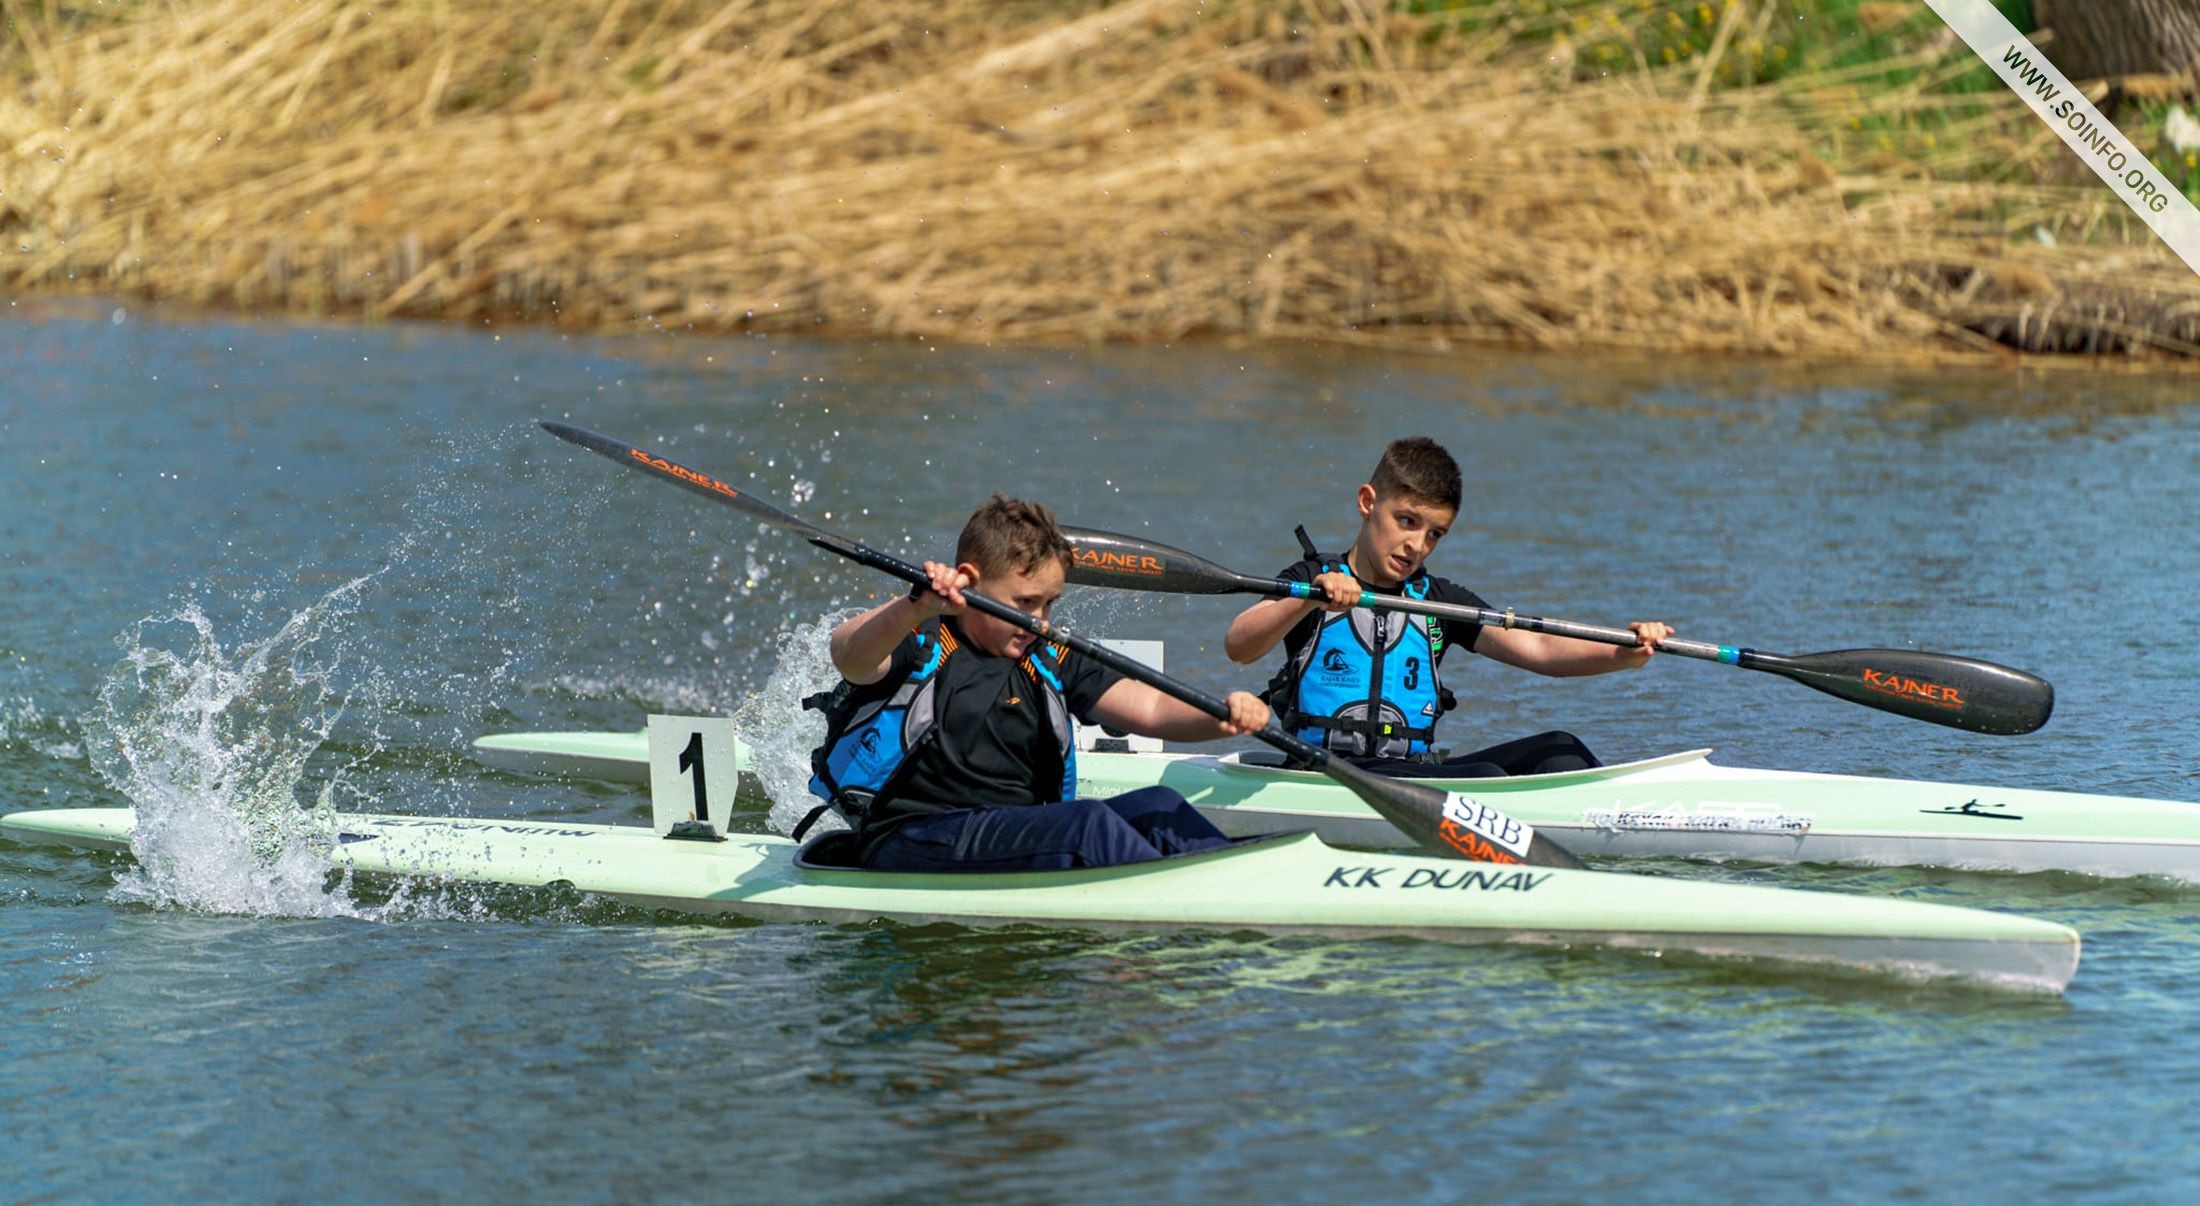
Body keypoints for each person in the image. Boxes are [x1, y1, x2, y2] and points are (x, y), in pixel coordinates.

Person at [804, 494, 1271, 872]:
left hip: (1014, 832)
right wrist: (915, 606)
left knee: (1160, 806)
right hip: (911, 835)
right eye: (1025, 602)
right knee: (1089, 824)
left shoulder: (1049, 655)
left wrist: (1223, 717)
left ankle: (1237, 880)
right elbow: (849, 656)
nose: (1040, 620)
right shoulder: (922, 639)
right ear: (969, 581)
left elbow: (1150, 710)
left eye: (1049, 603)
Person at [1222, 437, 1671, 779]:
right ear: (1367, 503)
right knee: (1486, 778)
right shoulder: (1311, 579)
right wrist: (1307, 599)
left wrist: (1624, 654)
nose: (1417, 545)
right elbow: (1239, 646)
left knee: (1561, 748)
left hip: (1410, 772)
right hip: (1322, 772)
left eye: (1434, 534)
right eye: (1407, 521)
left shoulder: (1438, 601)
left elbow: (1538, 649)